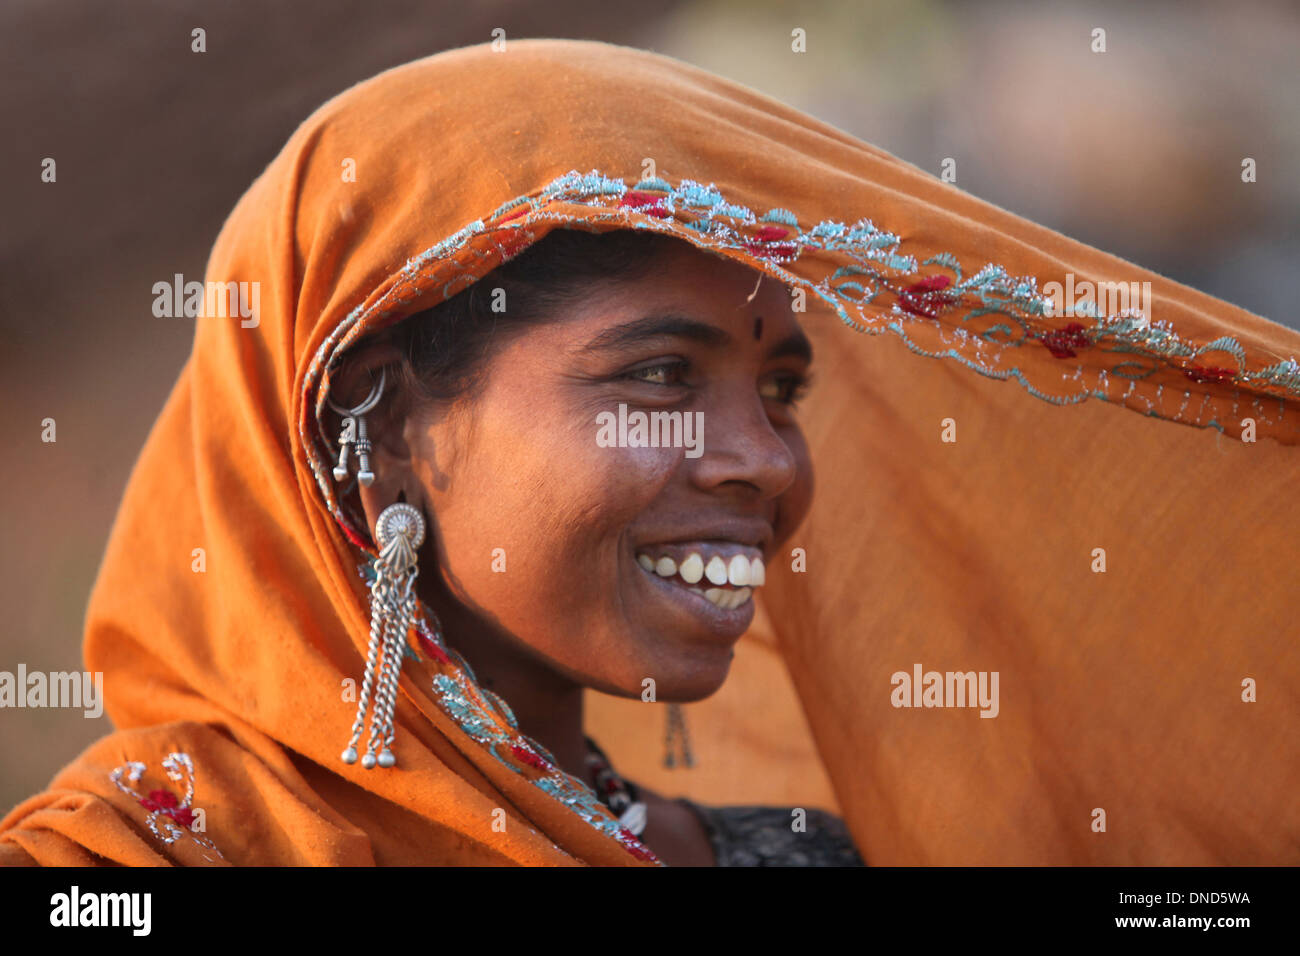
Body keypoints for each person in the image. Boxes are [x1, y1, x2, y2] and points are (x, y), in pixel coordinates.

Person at [2, 38, 1296, 867]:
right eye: (662, 377)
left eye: (782, 392)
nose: (768, 465)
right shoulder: (123, 869)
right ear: (385, 429)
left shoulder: (799, 860)